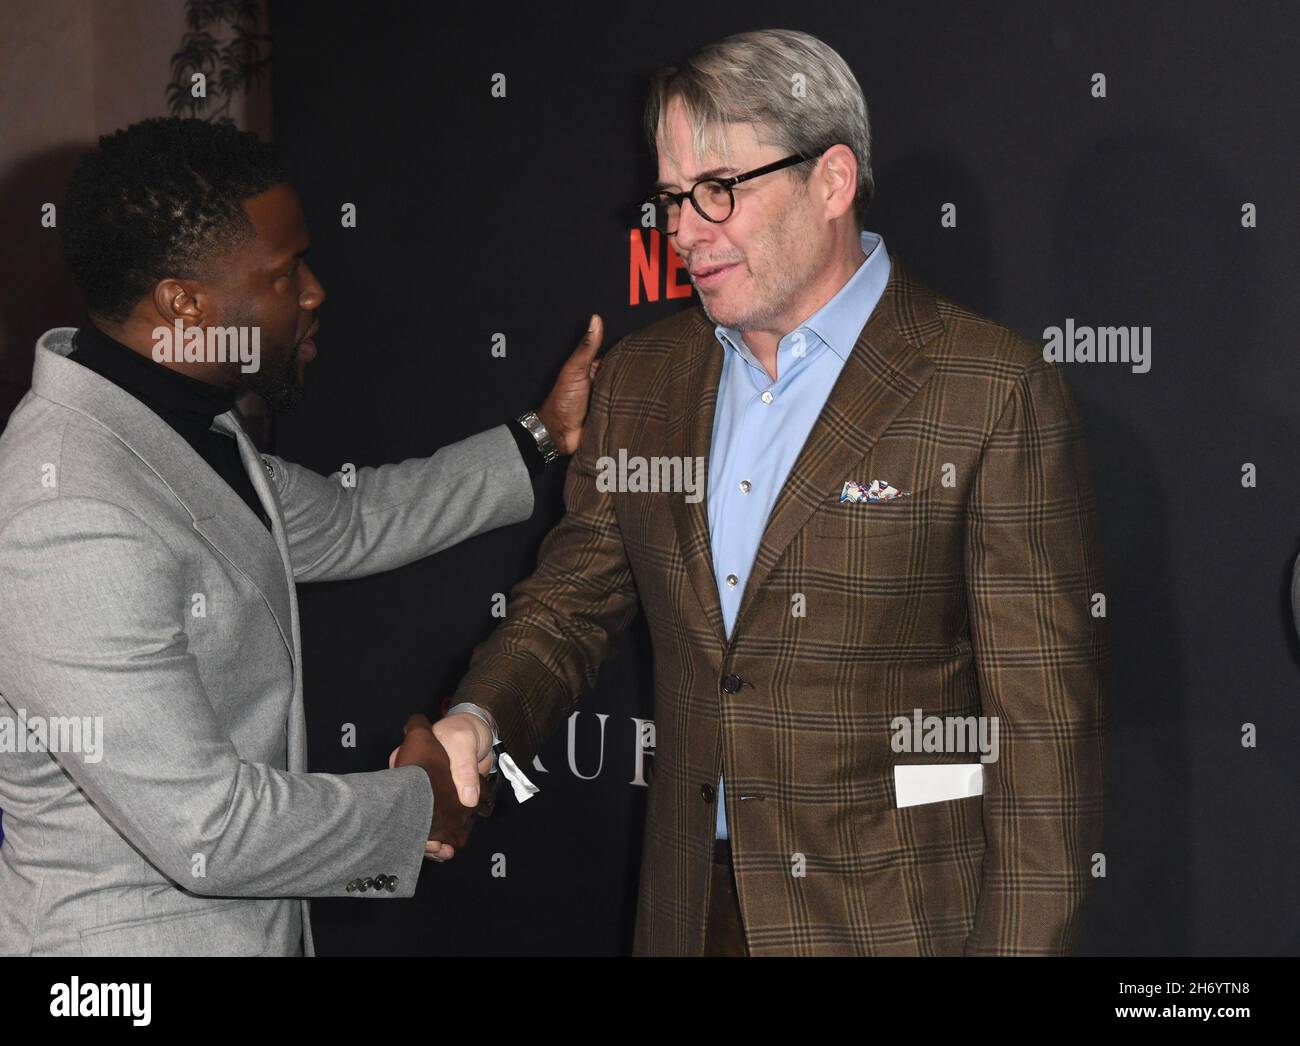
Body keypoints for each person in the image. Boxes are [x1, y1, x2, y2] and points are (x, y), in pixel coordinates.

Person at [419, 29, 1109, 956]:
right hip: (686, 913)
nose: (682, 233)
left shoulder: (988, 389)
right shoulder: (643, 379)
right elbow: (571, 603)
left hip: (897, 925)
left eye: (717, 191)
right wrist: (478, 720)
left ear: (831, 181)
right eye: (670, 199)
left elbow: (1043, 743)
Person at [0, 117, 600, 956]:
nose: (315, 291)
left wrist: (541, 434)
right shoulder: (69, 511)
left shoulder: (175, 420)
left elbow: (353, 518)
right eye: (285, 274)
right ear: (184, 303)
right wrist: (421, 802)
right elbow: (209, 828)